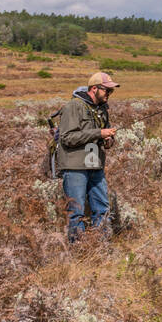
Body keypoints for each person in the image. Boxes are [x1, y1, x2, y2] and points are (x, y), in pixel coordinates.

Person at [56, 71, 119, 243]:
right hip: (75, 166)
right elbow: (67, 137)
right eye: (107, 90)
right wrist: (98, 132)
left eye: (111, 91)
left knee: (102, 208)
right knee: (76, 211)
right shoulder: (73, 106)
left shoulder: (102, 109)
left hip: (95, 164)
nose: (109, 94)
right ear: (94, 89)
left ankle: (101, 246)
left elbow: (102, 135)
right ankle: (78, 248)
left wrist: (108, 140)